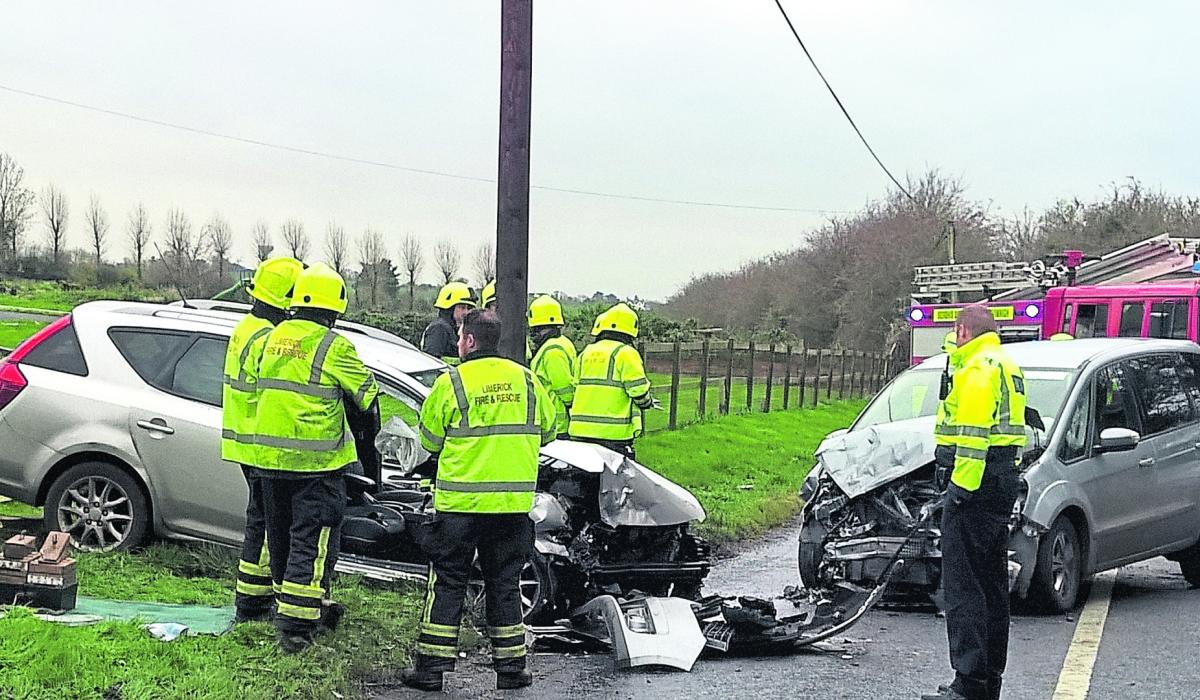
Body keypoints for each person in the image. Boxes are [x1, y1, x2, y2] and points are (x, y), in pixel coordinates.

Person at [403, 309, 556, 692]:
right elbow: (550, 431)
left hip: (460, 508)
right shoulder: (528, 381)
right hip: (511, 508)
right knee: (504, 584)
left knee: (448, 582)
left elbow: (428, 442)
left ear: (469, 341)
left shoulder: (452, 382)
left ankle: (431, 669)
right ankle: (511, 670)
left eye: (459, 337)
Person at [251, 263, 381, 653]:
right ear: (335, 308)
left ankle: (290, 610)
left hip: (269, 461)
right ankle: (296, 630)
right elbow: (367, 397)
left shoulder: (272, 339)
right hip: (316, 466)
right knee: (313, 542)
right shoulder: (332, 345)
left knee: (280, 538)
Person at [923, 304, 1026, 700]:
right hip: (1001, 481)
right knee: (991, 586)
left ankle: (968, 684)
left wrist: (959, 489)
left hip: (976, 486)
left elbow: (973, 434)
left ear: (964, 330)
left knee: (964, 587)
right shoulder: (1006, 363)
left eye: (955, 331)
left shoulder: (979, 367)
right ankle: (988, 681)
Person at [221, 256, 304, 623]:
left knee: (259, 519)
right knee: (271, 522)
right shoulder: (270, 337)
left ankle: (251, 598)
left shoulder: (246, 327)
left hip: (242, 438)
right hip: (261, 441)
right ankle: (261, 601)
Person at [568, 303, 653, 458]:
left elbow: (574, 386)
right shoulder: (626, 353)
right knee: (612, 481)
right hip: (614, 435)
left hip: (579, 431)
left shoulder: (586, 352)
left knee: (583, 480)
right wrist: (648, 403)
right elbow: (639, 391)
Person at [528, 295, 577, 439]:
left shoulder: (552, 350)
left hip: (557, 425)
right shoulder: (562, 343)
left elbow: (565, 390)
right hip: (557, 423)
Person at [422, 282, 476, 365]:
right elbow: (430, 364)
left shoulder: (457, 329)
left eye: (469, 308)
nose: (466, 312)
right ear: (449, 308)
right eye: (462, 307)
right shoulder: (439, 329)